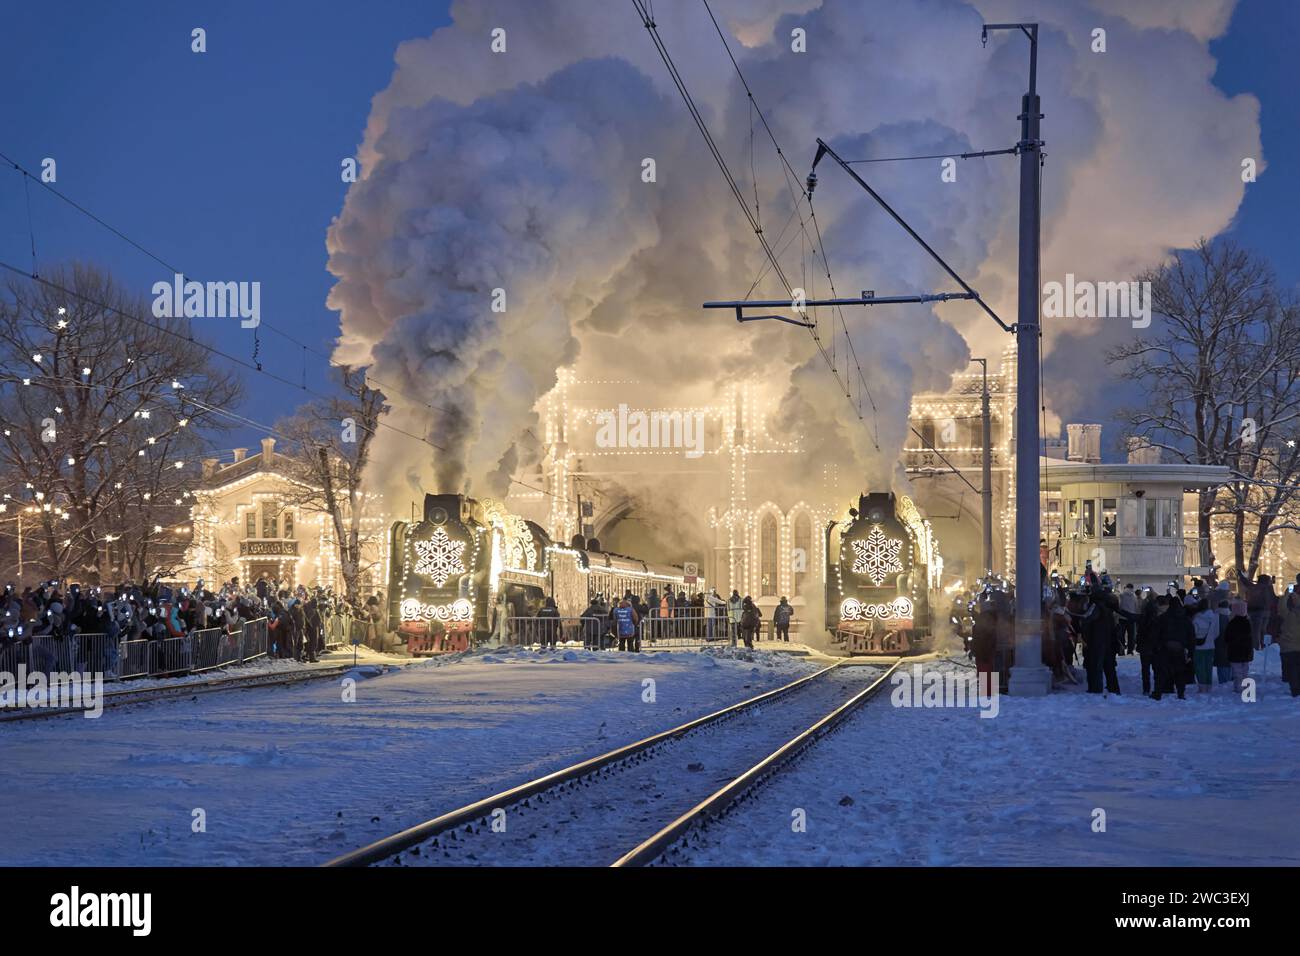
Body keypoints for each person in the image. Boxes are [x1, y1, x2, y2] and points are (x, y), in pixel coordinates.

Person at [1152, 595, 1193, 700]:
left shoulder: (1163, 618)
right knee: (1180, 673)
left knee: (1162, 672)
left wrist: (1158, 646)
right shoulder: (1186, 619)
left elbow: (1156, 633)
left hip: (1165, 647)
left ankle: (1158, 693)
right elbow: (1191, 635)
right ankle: (1181, 693)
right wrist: (1190, 650)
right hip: (1180, 648)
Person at [1223, 600, 1254, 695]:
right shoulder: (1247, 623)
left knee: (1237, 671)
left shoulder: (1232, 623)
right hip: (1246, 650)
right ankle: (1245, 686)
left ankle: (1238, 687)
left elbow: (1227, 637)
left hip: (1234, 650)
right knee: (1245, 669)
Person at [1191, 597, 1219, 693]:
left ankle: (1202, 686)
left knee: (1200, 667)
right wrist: (1210, 639)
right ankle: (1208, 685)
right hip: (1211, 645)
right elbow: (1217, 632)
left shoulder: (1196, 617)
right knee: (1208, 667)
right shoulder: (1214, 617)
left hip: (1198, 646)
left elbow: (1193, 632)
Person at [1277, 584, 1300, 697]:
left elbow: (1281, 608)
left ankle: (1295, 688)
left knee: (1292, 669)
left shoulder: (1288, 615)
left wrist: (1286, 595)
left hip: (1289, 647)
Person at [1117, 584, 1138, 655]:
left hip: (1122, 617)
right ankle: (1130, 651)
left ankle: (1121, 650)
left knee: (1121, 635)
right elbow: (1136, 607)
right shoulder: (1134, 596)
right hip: (1132, 618)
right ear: (1132, 588)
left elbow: (1119, 606)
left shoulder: (1121, 595)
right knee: (1131, 635)